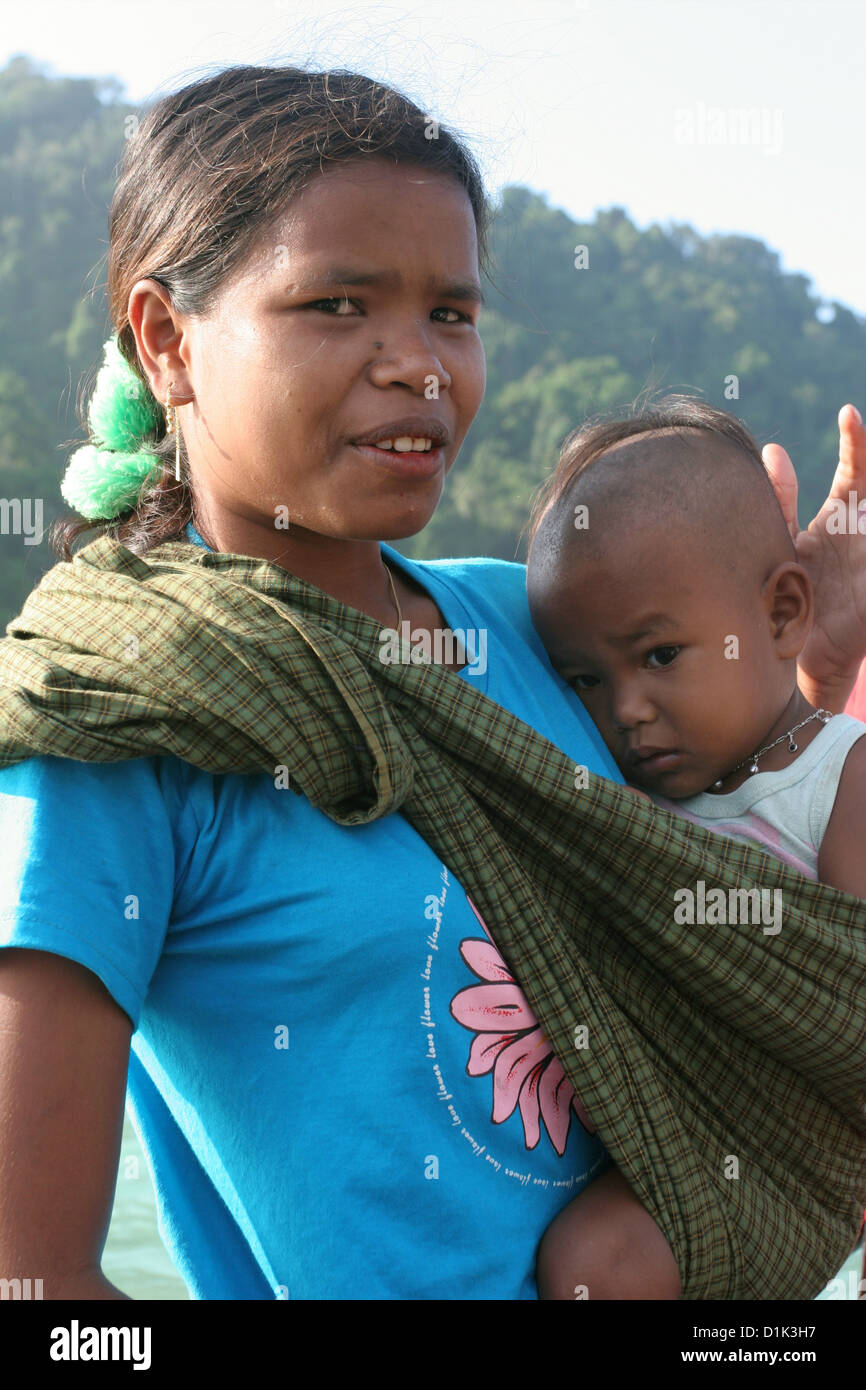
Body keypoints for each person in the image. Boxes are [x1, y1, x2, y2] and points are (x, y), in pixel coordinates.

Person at [0, 64, 865, 1303]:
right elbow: (32, 1288)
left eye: (450, 314)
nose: (416, 365)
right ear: (166, 338)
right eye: (337, 304)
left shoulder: (543, 627)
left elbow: (741, 895)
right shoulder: (118, 721)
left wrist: (797, 673)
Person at [524, 399, 866, 1300]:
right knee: (591, 1265)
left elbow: (849, 999)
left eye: (661, 655)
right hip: (674, 1156)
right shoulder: (623, 807)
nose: (625, 708)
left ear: (784, 611)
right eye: (587, 680)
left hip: (808, 1171)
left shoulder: (841, 779)